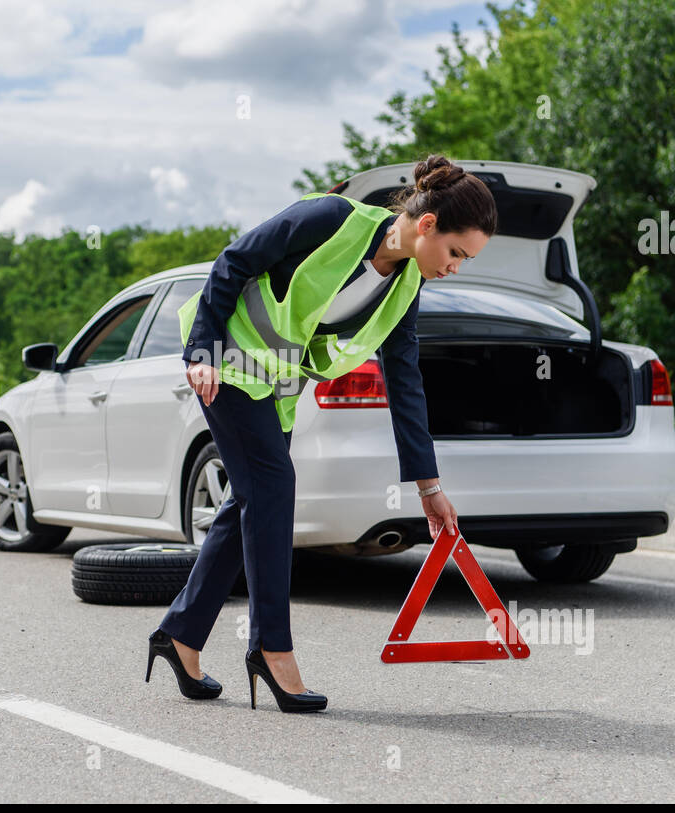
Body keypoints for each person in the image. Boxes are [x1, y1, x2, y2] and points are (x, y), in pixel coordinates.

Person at [145, 154, 498, 712]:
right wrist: (201, 351)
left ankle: (180, 636)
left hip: (275, 383)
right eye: (457, 253)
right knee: (273, 487)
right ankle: (271, 649)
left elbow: (406, 384)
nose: (456, 267)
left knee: (246, 505)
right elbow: (234, 261)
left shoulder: (405, 287)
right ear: (427, 224)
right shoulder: (330, 218)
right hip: (226, 362)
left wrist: (429, 488)